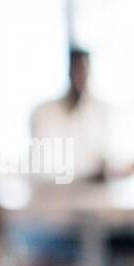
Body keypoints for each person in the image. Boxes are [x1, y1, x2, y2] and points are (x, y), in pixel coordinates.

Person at [29, 46, 111, 183]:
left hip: (89, 189)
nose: (81, 77)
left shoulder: (100, 112)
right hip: (53, 191)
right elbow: (43, 165)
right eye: (77, 70)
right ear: (68, 71)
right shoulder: (43, 113)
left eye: (85, 70)